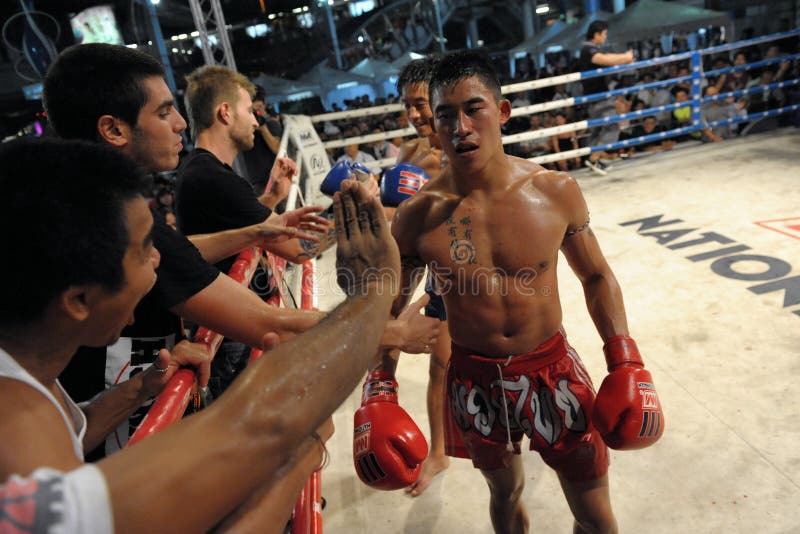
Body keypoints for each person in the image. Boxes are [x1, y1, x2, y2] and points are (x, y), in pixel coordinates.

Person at [43, 44, 437, 454]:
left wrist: (256, 229)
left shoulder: (88, 205)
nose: (180, 123)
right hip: (121, 451)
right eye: (163, 112)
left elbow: (178, 251)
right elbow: (278, 303)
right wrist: (391, 329)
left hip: (119, 409)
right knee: (293, 449)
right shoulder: (125, 218)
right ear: (114, 130)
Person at [0, 138, 400, 532]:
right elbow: (254, 396)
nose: (159, 261)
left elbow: (76, 429)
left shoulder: (25, 371)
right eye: (144, 251)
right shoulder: (17, 436)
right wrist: (305, 448)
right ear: (79, 300)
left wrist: (140, 389)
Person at [370, 50, 664, 533]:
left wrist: (625, 359)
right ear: (433, 125)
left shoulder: (555, 190)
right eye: (446, 114)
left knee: (596, 517)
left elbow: (597, 276)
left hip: (552, 370)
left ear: (502, 112)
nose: (460, 126)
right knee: (504, 496)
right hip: (475, 381)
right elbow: (389, 307)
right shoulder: (418, 216)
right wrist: (379, 389)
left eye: (473, 108)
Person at [392, 56, 454, 497]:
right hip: (437, 270)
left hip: (476, 267)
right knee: (440, 366)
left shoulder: (461, 143)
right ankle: (440, 451)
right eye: (407, 106)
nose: (414, 115)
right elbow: (401, 221)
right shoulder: (410, 153)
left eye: (420, 104)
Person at [578, 20, 635, 175]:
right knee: (611, 128)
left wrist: (624, 58)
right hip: (598, 97)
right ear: (596, 34)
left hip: (595, 96)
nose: (605, 37)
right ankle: (594, 157)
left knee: (598, 130)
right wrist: (625, 57)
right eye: (604, 34)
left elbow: (607, 56)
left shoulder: (591, 49)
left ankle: (594, 160)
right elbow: (605, 60)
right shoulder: (588, 50)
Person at [242, 84, 283, 196]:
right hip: (257, 182)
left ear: (264, 105)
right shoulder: (244, 128)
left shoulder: (270, 123)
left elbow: (278, 149)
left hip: (277, 179)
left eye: (259, 108)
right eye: (253, 110)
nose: (257, 113)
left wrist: (263, 128)